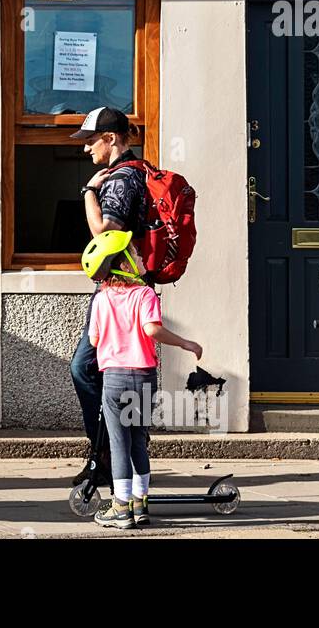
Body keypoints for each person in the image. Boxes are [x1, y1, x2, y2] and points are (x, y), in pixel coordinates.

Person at [83, 231, 202, 529]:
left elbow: (94, 340)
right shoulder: (145, 294)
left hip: (115, 379)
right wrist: (185, 343)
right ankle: (140, 504)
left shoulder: (102, 298)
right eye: (135, 254)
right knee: (138, 439)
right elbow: (151, 330)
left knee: (118, 441)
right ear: (123, 265)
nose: (140, 257)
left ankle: (120, 508)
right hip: (144, 376)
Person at [69, 107, 149, 487]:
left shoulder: (119, 181)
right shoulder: (134, 173)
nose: (86, 149)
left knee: (86, 367)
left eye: (90, 141)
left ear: (111, 139)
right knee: (114, 371)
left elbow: (105, 235)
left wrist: (87, 192)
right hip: (128, 289)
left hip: (119, 291)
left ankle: (106, 451)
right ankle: (120, 451)